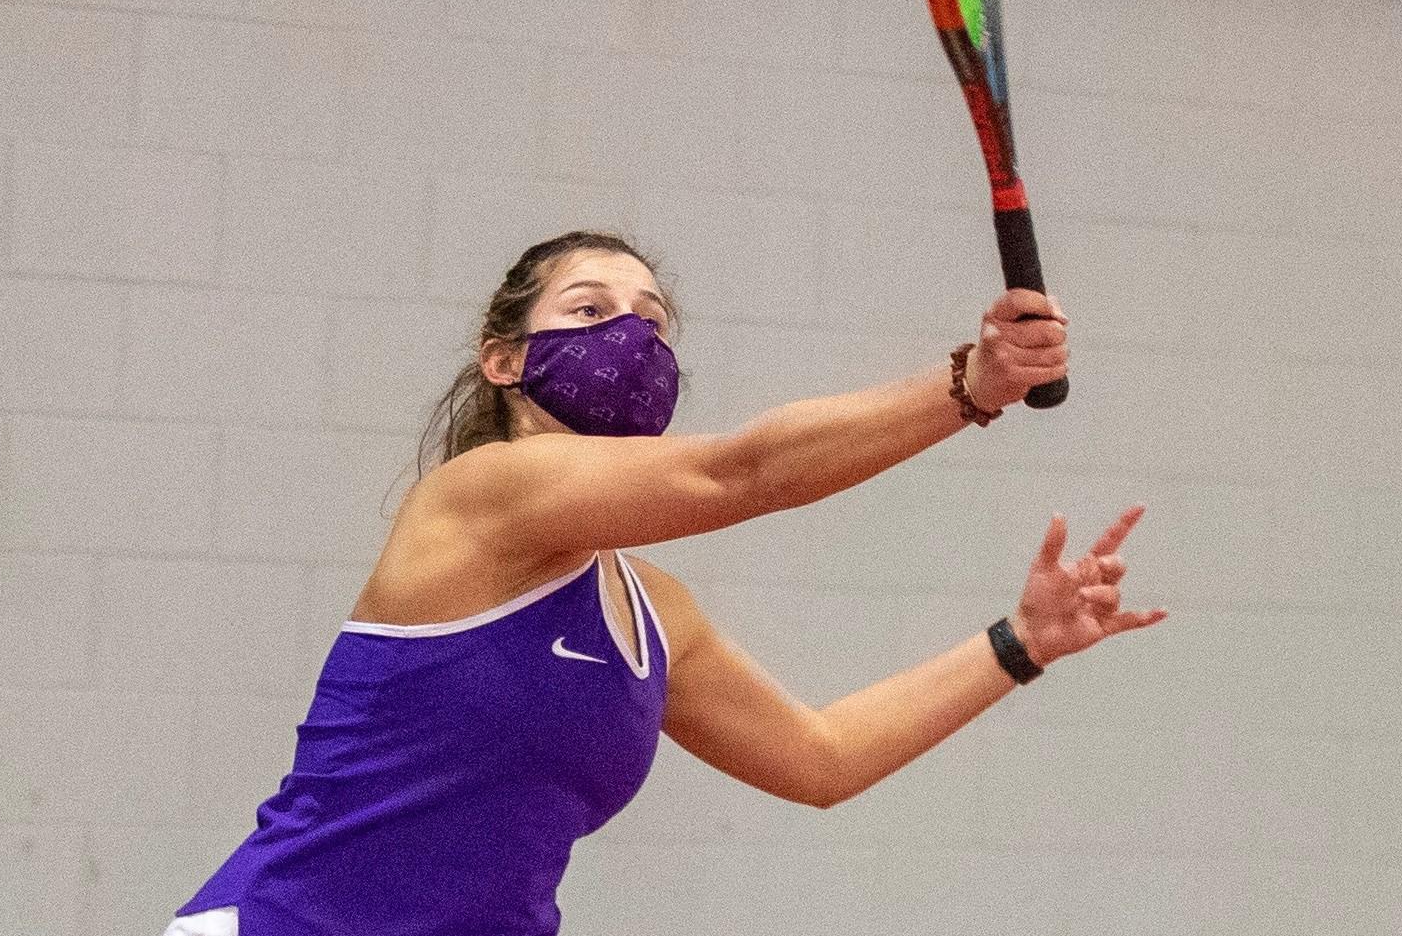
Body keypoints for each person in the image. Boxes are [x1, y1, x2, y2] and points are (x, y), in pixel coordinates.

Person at [165, 230, 1165, 936]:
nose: (631, 333)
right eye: (591, 309)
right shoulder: (482, 498)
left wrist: (1019, 643)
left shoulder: (653, 616)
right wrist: (971, 385)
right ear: (504, 360)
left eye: (652, 316)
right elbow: (739, 472)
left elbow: (820, 760)